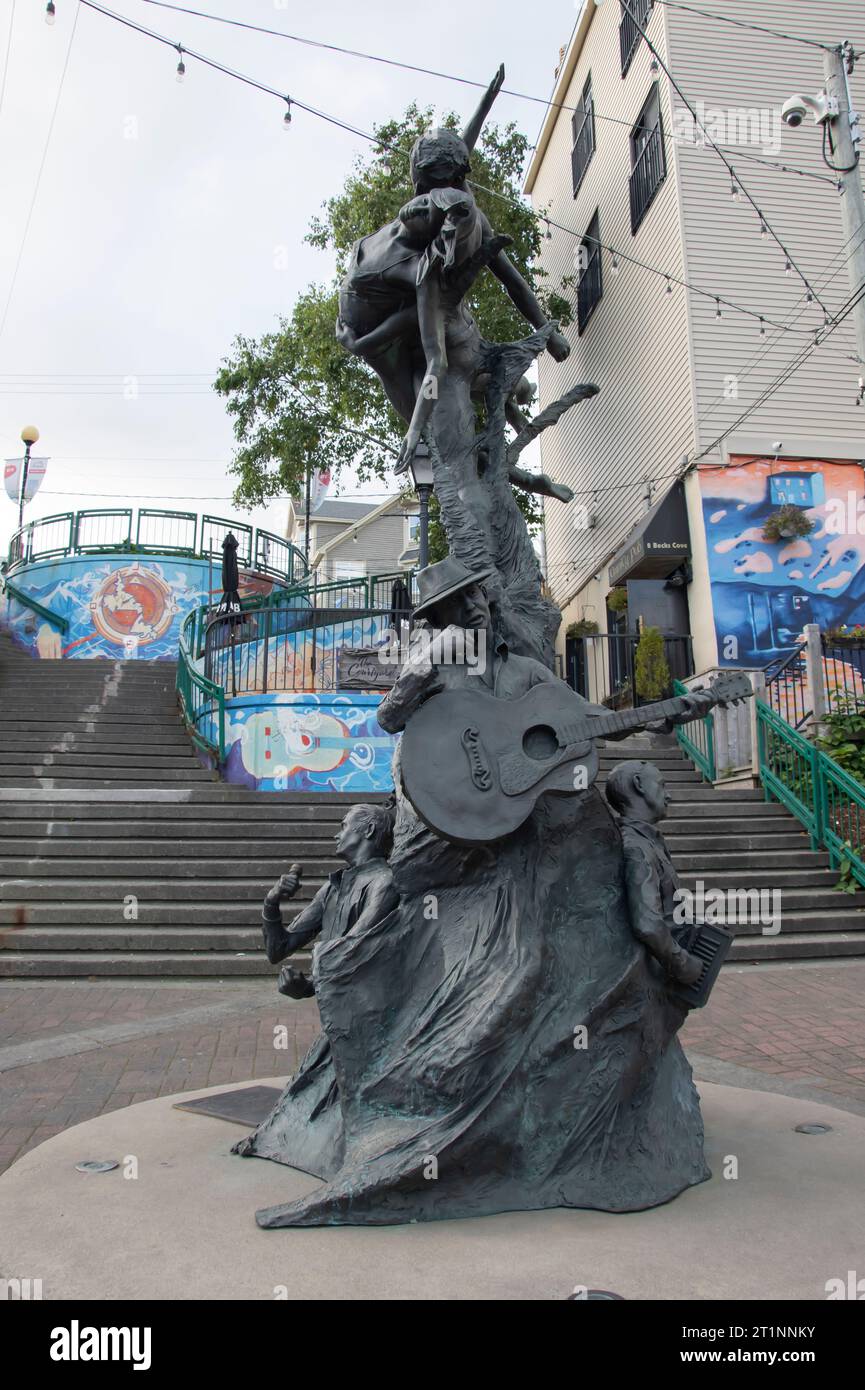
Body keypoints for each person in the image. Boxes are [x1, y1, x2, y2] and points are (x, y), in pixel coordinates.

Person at [260, 803, 397, 998]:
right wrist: (272, 902)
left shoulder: (384, 883)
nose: (337, 835)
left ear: (369, 830)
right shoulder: (333, 886)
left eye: (344, 827)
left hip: (369, 1006)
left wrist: (309, 986)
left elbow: (353, 947)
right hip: (336, 1005)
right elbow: (279, 949)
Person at [605, 760, 703, 987]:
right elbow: (647, 923)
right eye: (661, 785)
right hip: (649, 978)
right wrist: (684, 965)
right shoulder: (636, 848)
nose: (668, 796)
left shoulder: (646, 841)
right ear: (639, 784)